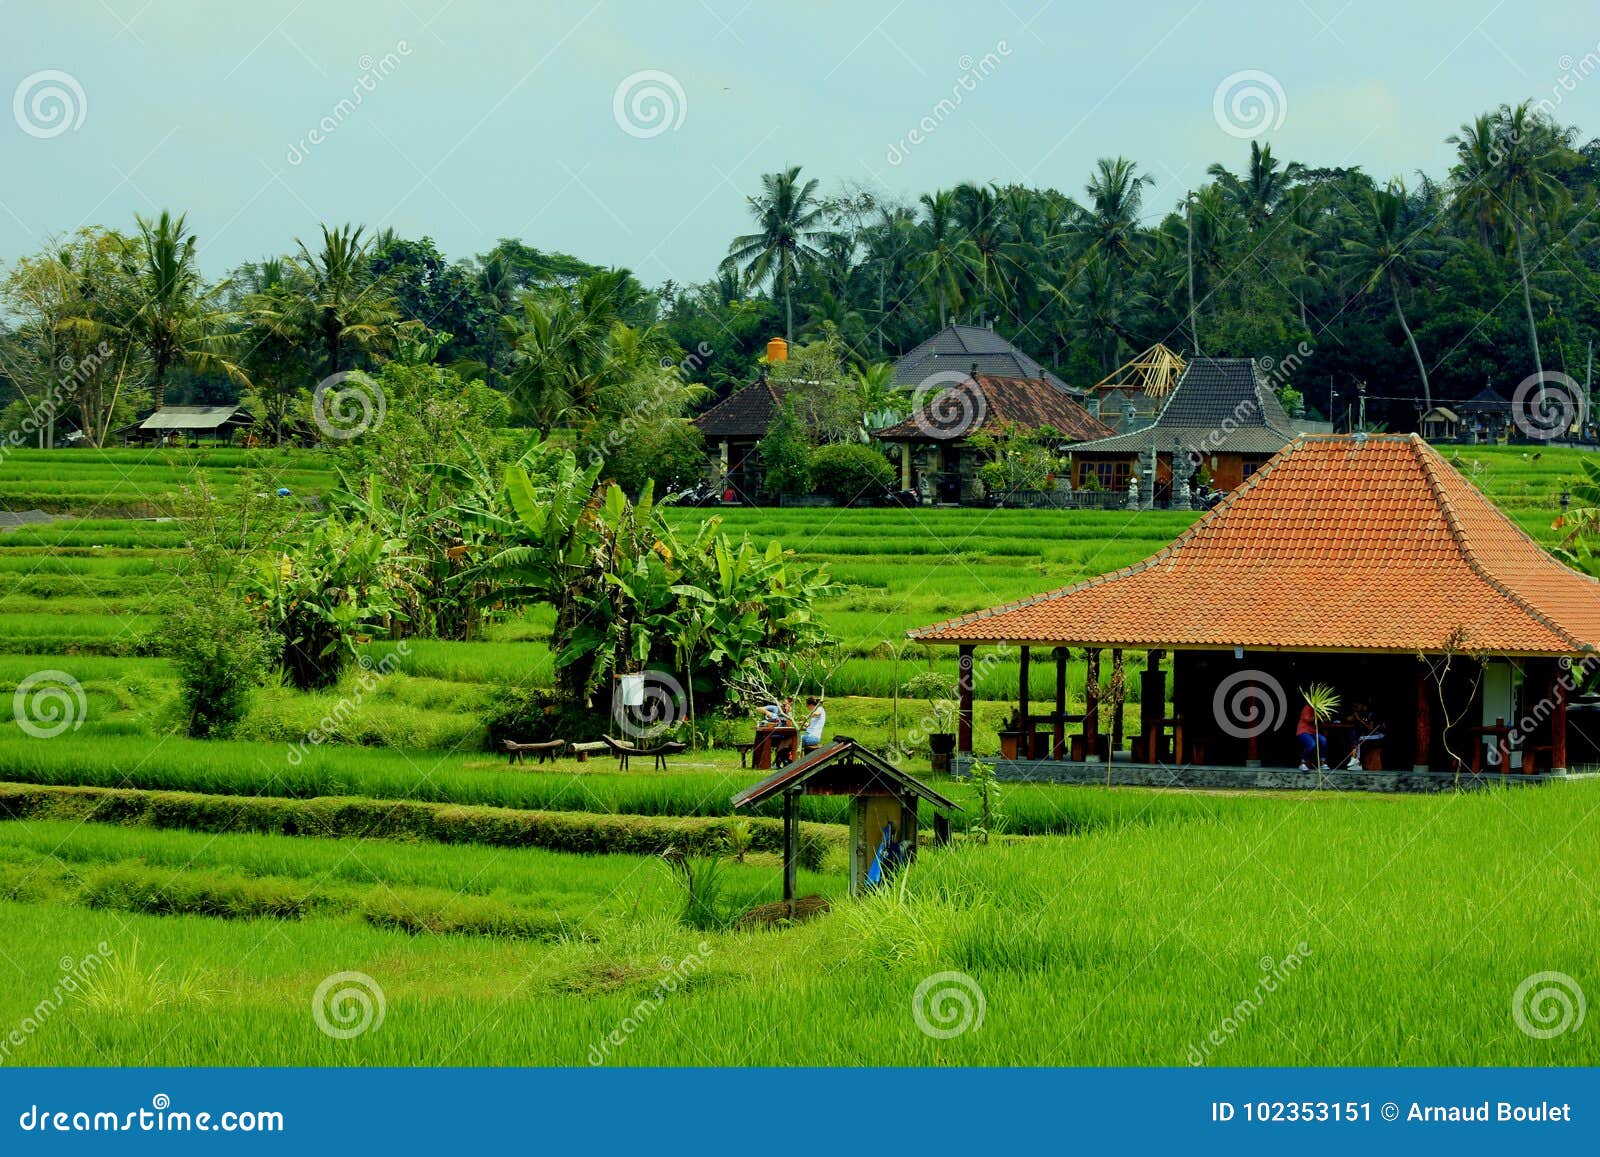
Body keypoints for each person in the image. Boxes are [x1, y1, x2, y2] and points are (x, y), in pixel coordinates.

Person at [1296, 699, 1328, 771]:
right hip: (1303, 732)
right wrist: (1319, 715)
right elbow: (1308, 720)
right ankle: (1303, 763)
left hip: (1313, 732)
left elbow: (1324, 720)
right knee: (1312, 744)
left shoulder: (1319, 709)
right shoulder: (1307, 707)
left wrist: (1324, 716)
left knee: (1323, 740)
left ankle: (1323, 762)